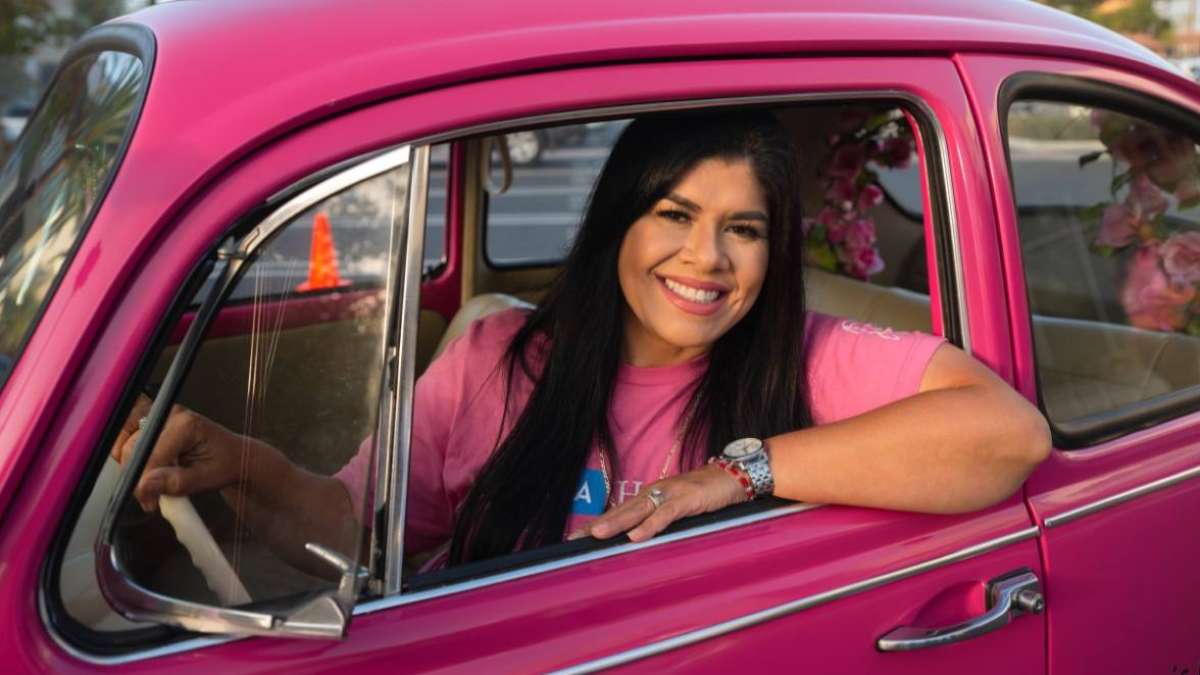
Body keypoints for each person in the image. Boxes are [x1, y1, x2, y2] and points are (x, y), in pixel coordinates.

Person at [113, 110, 1050, 573]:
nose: (707, 258)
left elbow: (1007, 434)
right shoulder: (495, 357)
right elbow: (358, 530)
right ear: (617, 226)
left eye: (744, 229)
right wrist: (242, 464)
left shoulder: (801, 354)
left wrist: (737, 473)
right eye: (673, 214)